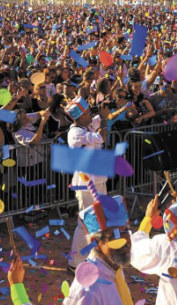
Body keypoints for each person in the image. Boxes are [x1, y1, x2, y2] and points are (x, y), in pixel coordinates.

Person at [65, 194, 135, 305]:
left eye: (125, 232)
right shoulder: (91, 291)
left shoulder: (112, 267)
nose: (124, 242)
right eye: (113, 236)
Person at [66, 97, 110, 269]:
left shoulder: (86, 125)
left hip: (98, 181)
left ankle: (93, 257)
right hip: (85, 185)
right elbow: (101, 137)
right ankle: (74, 263)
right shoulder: (75, 133)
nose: (91, 115)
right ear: (80, 117)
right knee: (84, 224)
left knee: (99, 221)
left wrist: (104, 106)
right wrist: (104, 119)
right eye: (88, 113)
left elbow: (104, 115)